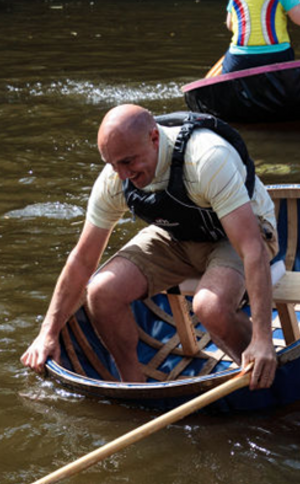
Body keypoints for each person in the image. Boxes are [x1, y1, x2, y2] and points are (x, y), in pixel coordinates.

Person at [20, 105, 281, 390]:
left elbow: (251, 247)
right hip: (177, 236)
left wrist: (263, 339)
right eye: (113, 164)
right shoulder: (116, 178)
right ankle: (135, 387)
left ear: (154, 139)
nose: (122, 175)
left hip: (238, 234)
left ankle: (261, 368)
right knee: (101, 292)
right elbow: (83, 259)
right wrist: (48, 332)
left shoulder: (206, 158)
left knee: (210, 307)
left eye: (128, 162)